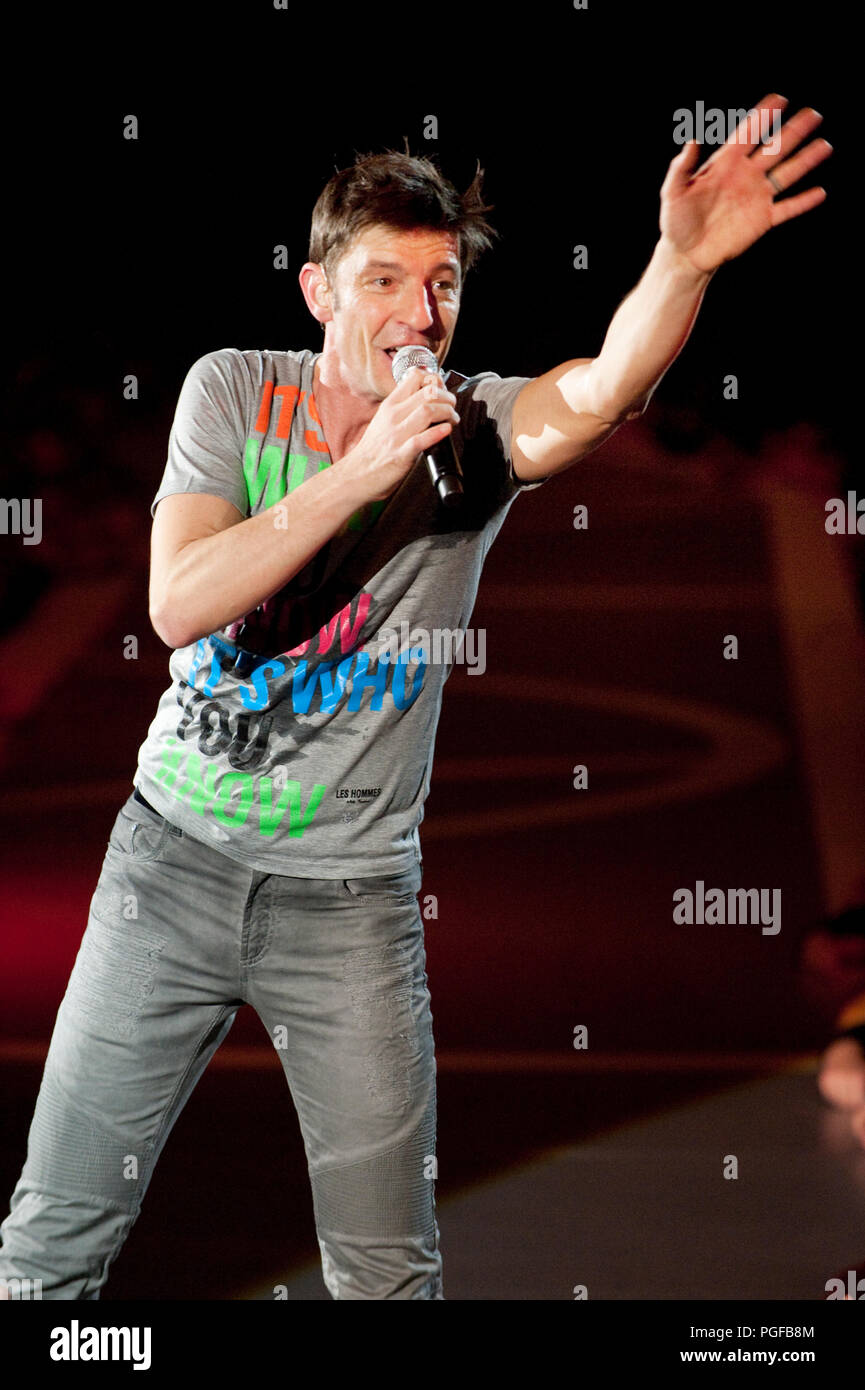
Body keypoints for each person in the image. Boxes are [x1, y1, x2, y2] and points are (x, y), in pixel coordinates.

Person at [0, 95, 830, 1300]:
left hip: (352, 901)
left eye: (441, 284)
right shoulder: (233, 390)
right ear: (318, 293)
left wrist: (679, 263)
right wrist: (367, 466)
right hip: (168, 870)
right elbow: (180, 600)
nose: (419, 315)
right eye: (384, 281)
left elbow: (594, 392)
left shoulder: (474, 426)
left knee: (389, 1270)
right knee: (51, 1242)